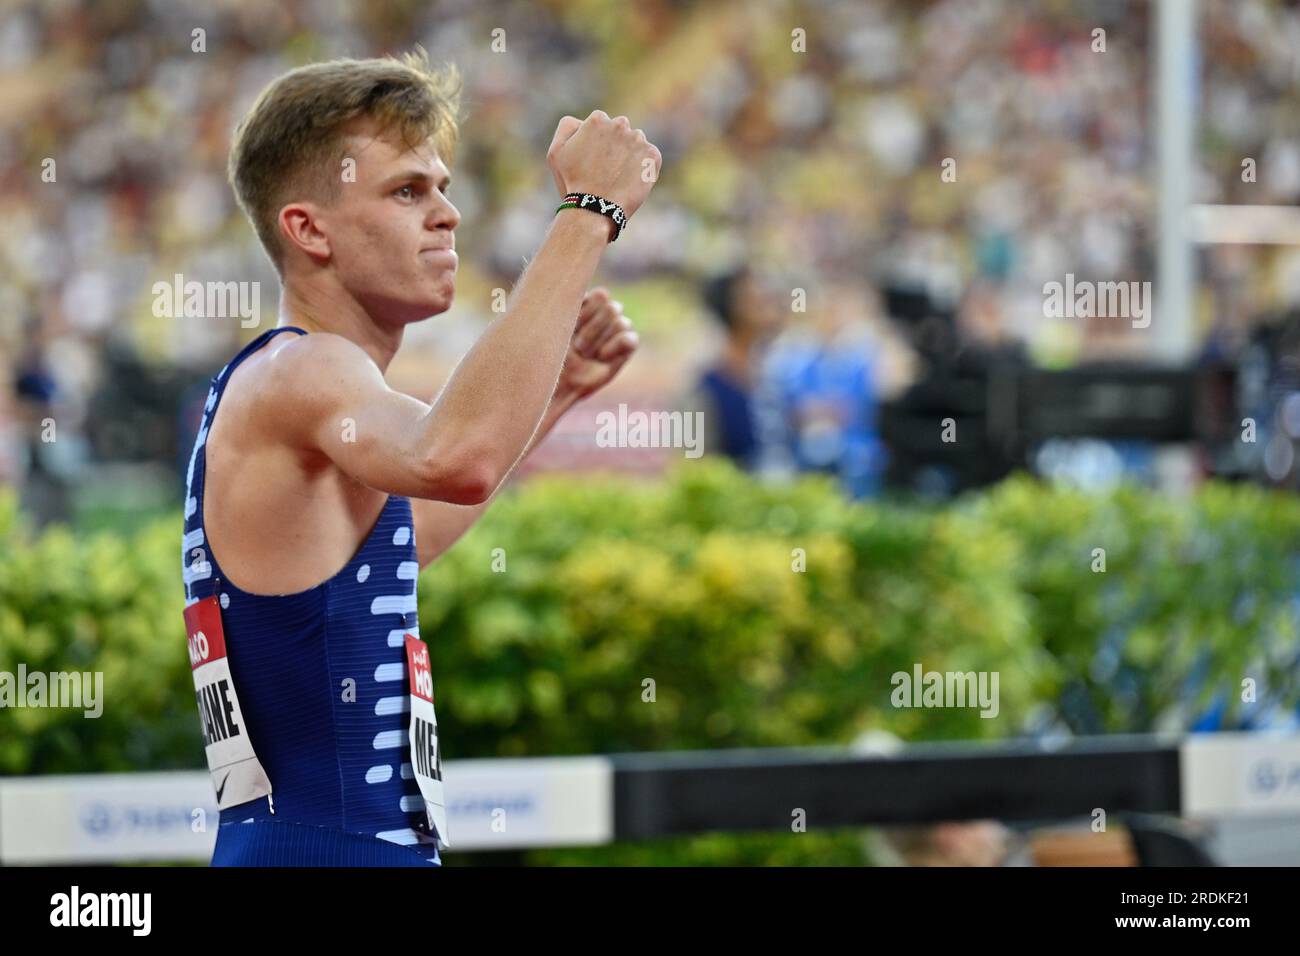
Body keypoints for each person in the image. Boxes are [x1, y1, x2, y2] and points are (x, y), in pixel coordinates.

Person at [181, 51, 660, 866]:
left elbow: (409, 534)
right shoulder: (306, 368)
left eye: (441, 188)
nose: (447, 215)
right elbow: (457, 457)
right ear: (308, 229)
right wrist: (587, 212)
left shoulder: (289, 384)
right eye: (407, 191)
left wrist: (558, 392)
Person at [684, 267, 786, 469]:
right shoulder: (705, 390)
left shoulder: (772, 377)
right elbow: (696, 468)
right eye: (755, 295)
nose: (768, 301)